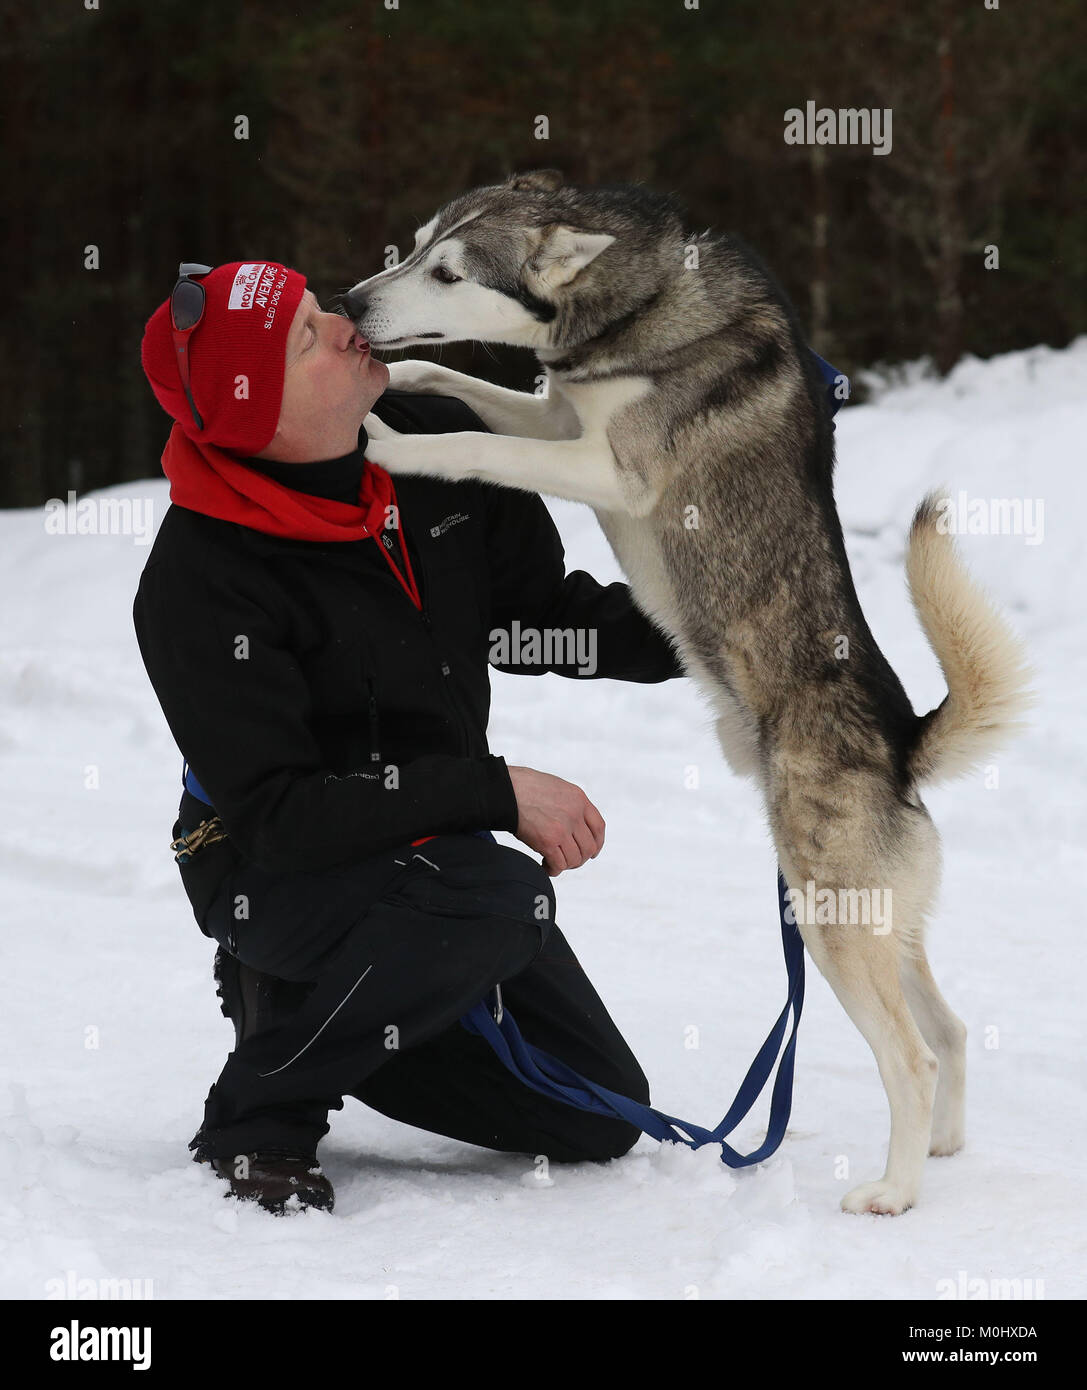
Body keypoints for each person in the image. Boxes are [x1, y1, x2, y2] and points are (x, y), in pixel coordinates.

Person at [134, 260, 686, 1215]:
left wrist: (723, 627)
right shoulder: (200, 580)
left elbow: (534, 618)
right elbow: (278, 817)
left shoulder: (436, 450)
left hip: (430, 859)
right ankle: (260, 1114)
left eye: (321, 306)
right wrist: (496, 790)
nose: (348, 325)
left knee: (598, 1114)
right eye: (309, 338)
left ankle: (322, 1013)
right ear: (254, 415)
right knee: (499, 896)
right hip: (267, 863)